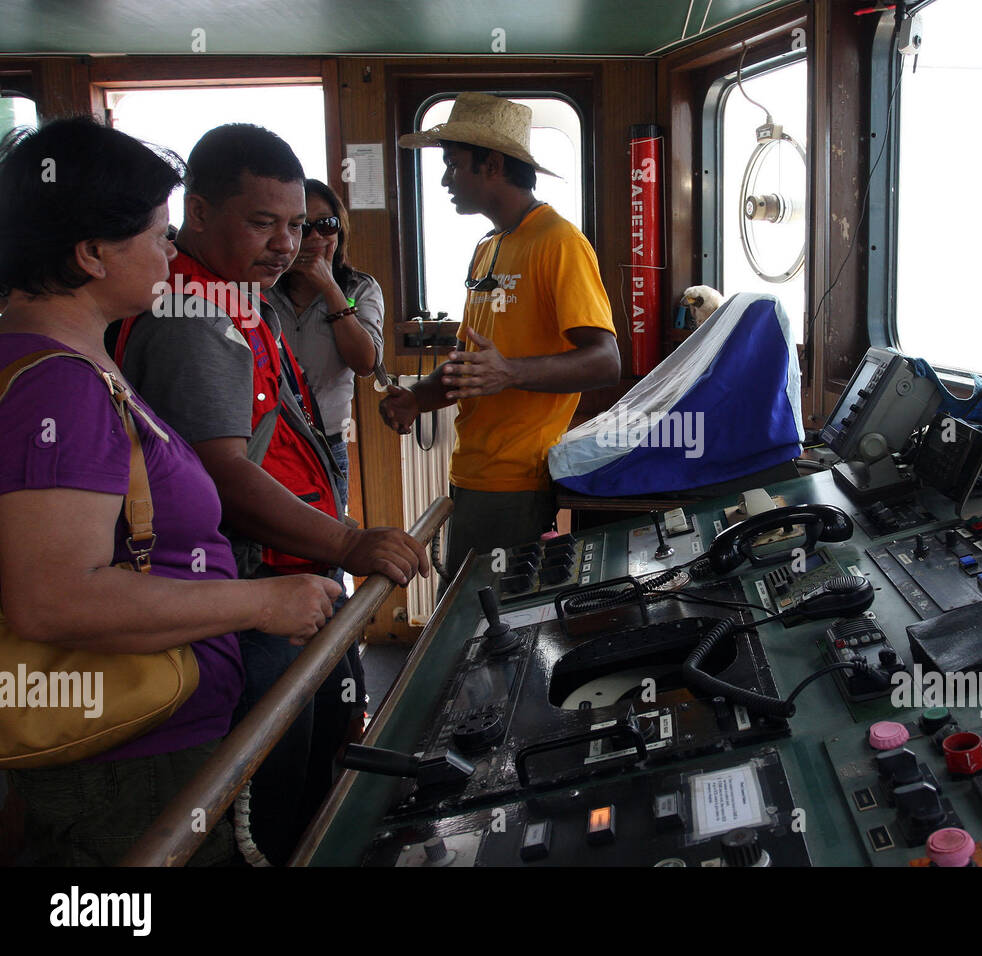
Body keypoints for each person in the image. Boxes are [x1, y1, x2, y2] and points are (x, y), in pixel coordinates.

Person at [0, 117, 340, 866]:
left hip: (153, 729)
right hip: (127, 761)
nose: (169, 252)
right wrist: (262, 601)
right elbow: (55, 598)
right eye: (158, 235)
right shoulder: (58, 386)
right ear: (91, 253)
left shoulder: (68, 365)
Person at [112, 123, 429, 866]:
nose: (286, 244)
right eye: (262, 223)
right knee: (276, 803)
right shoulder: (194, 318)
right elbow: (223, 472)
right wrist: (348, 541)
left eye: (296, 225)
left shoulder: (243, 299)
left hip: (296, 573)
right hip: (253, 592)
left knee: (323, 766)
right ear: (195, 214)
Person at [381, 93, 621, 570]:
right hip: (472, 469)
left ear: (491, 165)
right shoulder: (488, 247)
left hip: (516, 479)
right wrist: (415, 399)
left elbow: (605, 360)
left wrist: (509, 372)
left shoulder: (559, 242)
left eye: (454, 165)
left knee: (483, 622)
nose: (446, 178)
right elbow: (472, 365)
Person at [264, 179, 383, 515]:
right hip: (268, 441)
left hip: (326, 443)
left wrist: (331, 289)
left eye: (326, 225)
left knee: (327, 546)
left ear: (339, 231)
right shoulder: (262, 288)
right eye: (304, 227)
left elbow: (365, 362)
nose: (315, 237)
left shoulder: (359, 288)